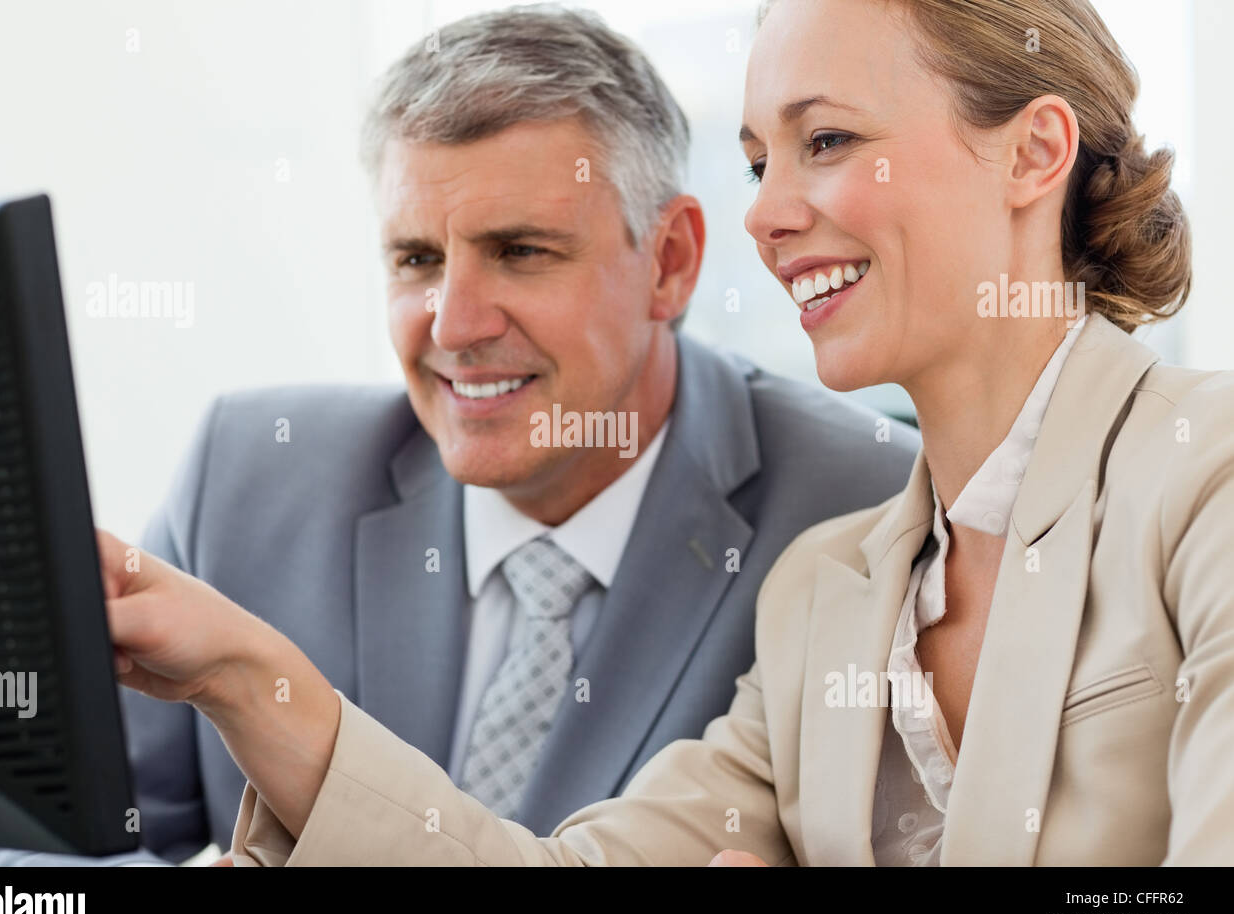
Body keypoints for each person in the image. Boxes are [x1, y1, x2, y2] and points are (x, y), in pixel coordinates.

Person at [100, 0, 1232, 866]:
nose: (768, 211)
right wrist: (251, 681)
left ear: (1034, 154)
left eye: (827, 139)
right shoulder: (825, 595)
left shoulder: (1205, 481)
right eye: (756, 160)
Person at [0, 4, 916, 867]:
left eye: (519, 252)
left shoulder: (866, 508)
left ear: (669, 260)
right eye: (414, 258)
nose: (452, 324)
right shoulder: (247, 474)